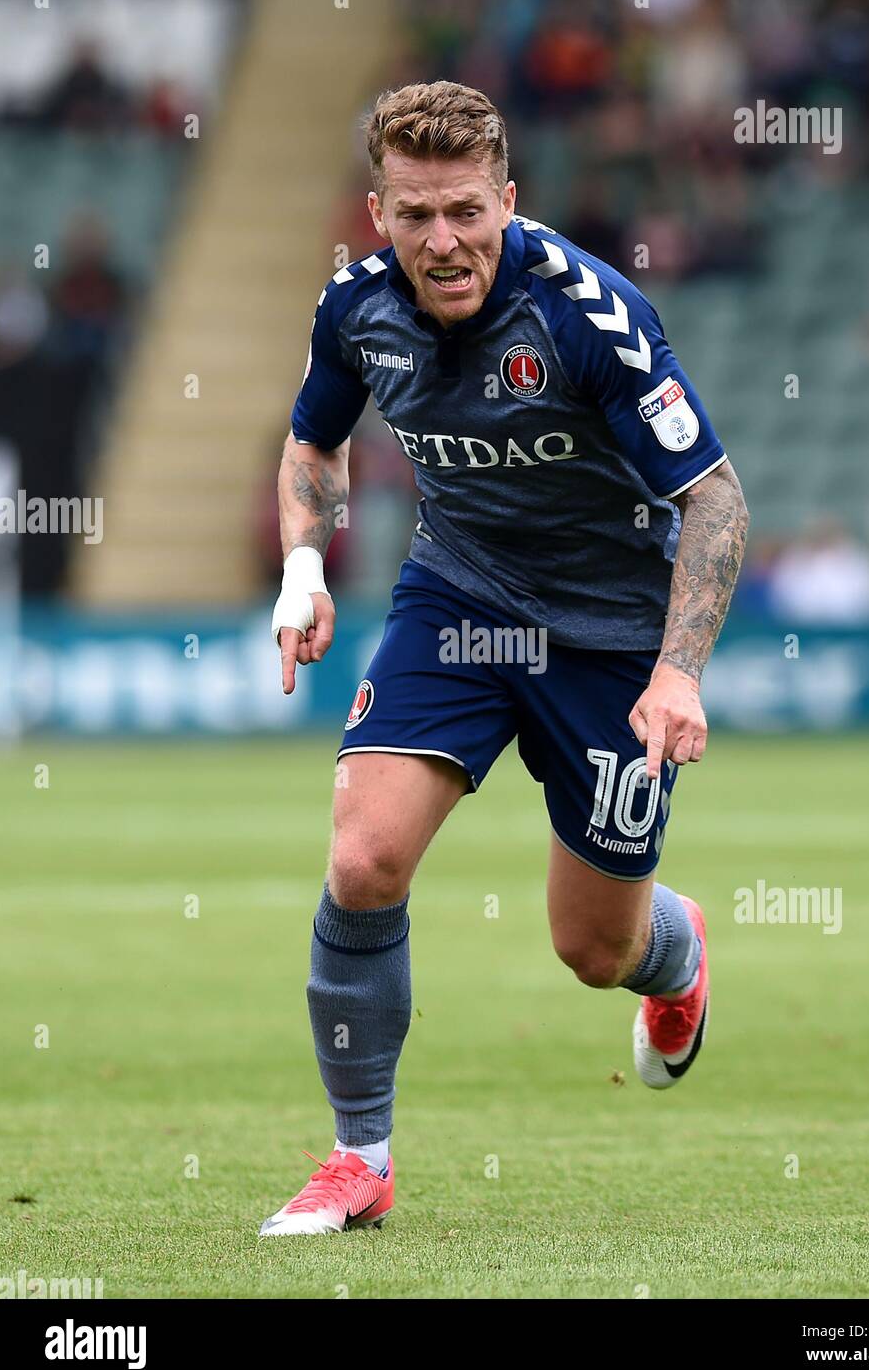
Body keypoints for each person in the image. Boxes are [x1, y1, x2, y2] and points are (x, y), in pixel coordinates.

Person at [261, 81, 748, 1236]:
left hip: (612, 636)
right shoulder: (355, 308)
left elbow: (715, 499)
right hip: (461, 597)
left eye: (466, 212)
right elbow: (313, 440)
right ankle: (358, 1157)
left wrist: (678, 670)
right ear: (379, 213)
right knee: (364, 854)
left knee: (594, 948)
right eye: (417, 214)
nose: (444, 241)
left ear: (508, 202)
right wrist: (302, 566)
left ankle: (675, 956)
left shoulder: (587, 312)